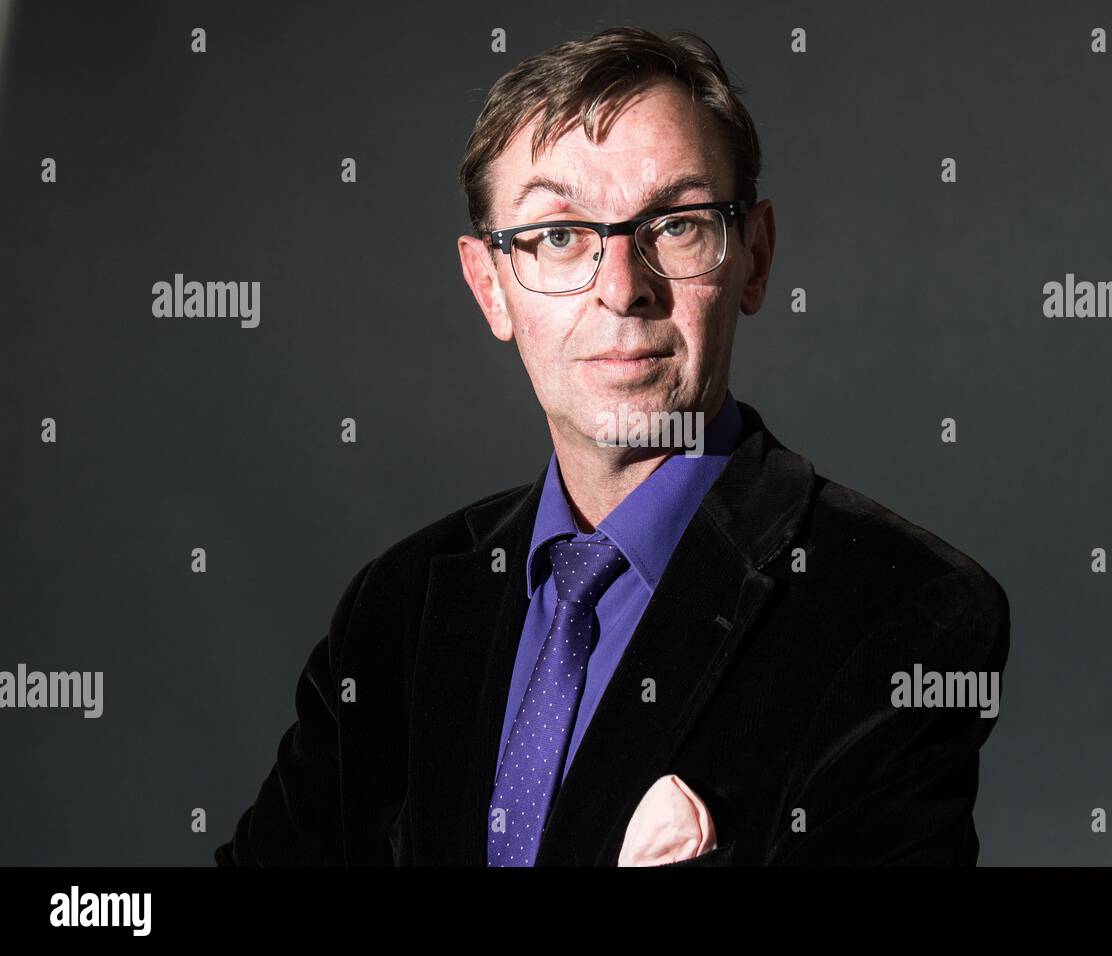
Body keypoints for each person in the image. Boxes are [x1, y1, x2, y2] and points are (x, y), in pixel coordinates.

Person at [214, 24, 1010, 867]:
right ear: (490, 288)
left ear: (757, 257)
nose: (624, 288)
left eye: (676, 224)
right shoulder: (395, 610)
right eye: (558, 236)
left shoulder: (900, 612)